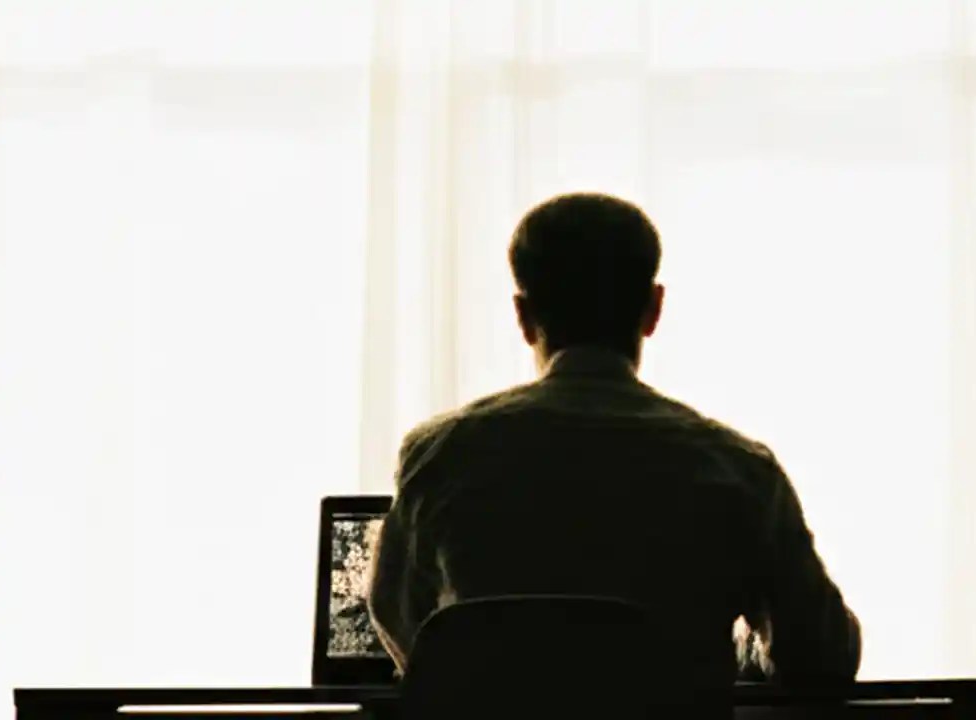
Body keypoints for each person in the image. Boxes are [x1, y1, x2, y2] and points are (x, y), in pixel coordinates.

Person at [368, 192, 860, 694]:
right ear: (653, 308)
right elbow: (820, 655)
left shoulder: (440, 455)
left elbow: (403, 622)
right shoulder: (740, 470)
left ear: (523, 316)